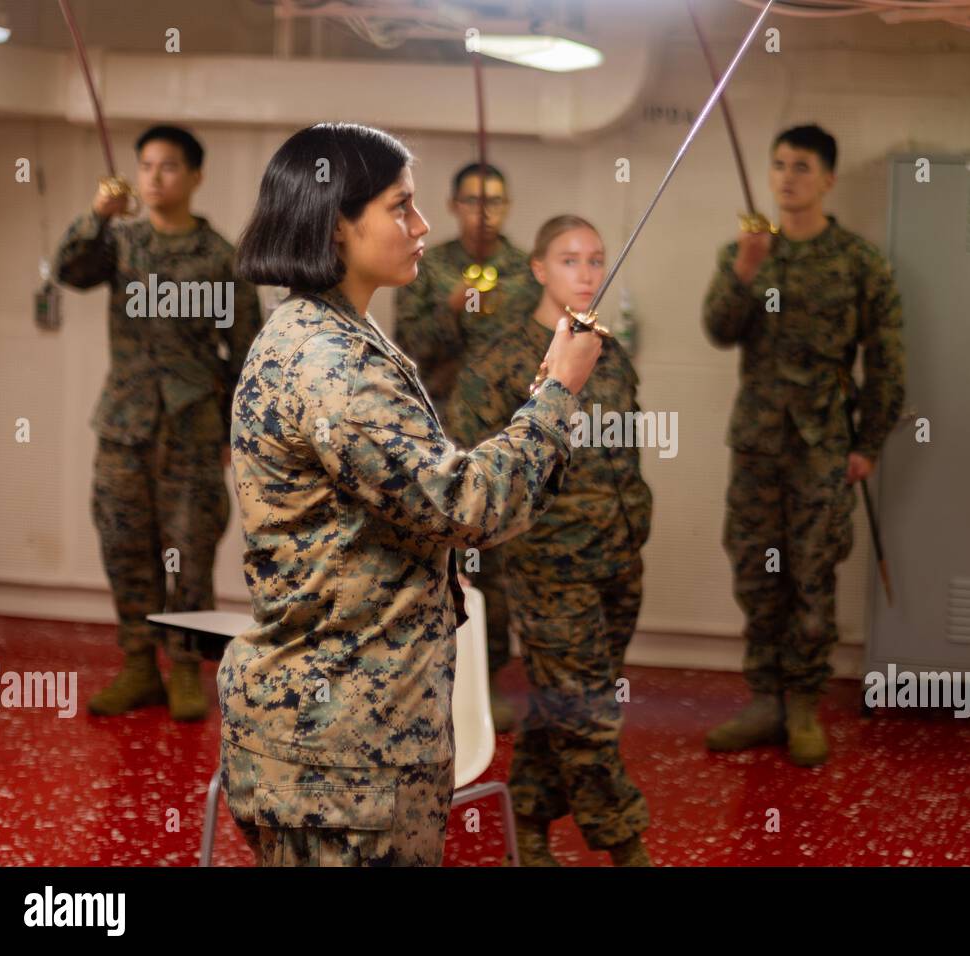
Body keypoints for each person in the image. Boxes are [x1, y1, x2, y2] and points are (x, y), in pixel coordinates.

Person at [218, 123, 601, 867]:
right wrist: (558, 392)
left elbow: (424, 485)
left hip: (348, 736)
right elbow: (467, 506)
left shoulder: (330, 332)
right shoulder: (332, 364)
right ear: (337, 224)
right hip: (342, 752)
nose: (422, 226)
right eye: (401, 207)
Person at [700, 124, 906, 766]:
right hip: (759, 443)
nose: (787, 176)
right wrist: (745, 269)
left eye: (802, 166)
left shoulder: (859, 260)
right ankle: (764, 698)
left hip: (823, 444)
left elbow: (889, 359)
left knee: (811, 579)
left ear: (828, 179)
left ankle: (802, 706)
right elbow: (718, 329)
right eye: (779, 164)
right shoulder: (749, 250)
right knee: (756, 575)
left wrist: (869, 441)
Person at [451, 215, 653, 866]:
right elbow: (473, 462)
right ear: (538, 269)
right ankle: (627, 845)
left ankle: (530, 824)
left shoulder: (607, 351)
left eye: (596, 260)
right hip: (547, 561)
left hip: (617, 554)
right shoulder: (503, 355)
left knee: (562, 701)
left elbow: (626, 454)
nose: (587, 273)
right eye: (570, 260)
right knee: (587, 710)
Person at [54, 124, 262, 721]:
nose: (153, 177)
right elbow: (71, 271)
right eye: (145, 165)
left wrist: (233, 433)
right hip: (125, 424)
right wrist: (96, 215)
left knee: (189, 554)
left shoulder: (224, 257)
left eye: (168, 166)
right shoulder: (119, 243)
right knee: (125, 546)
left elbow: (247, 352)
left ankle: (185, 670)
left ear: (195, 176)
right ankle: (139, 665)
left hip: (192, 429)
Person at [394, 162, 539, 732]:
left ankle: (492, 675)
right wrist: (453, 307)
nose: (486, 211)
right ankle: (436, 677)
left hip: (504, 436)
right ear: (454, 204)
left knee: (498, 566)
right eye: (474, 200)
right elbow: (408, 346)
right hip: (439, 436)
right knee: (442, 559)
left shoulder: (526, 274)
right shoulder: (427, 266)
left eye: (496, 201)